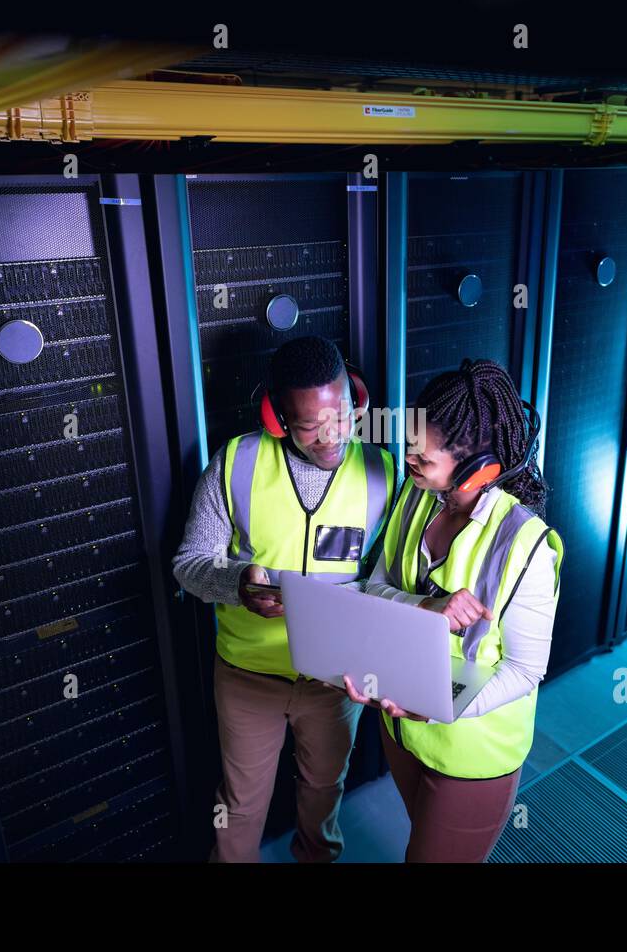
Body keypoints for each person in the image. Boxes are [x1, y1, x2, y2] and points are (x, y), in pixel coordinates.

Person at [172, 335, 396, 862]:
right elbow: (188, 564)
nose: (331, 437)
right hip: (250, 675)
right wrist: (236, 586)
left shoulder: (385, 473)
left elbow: (394, 579)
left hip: (338, 679)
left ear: (355, 398)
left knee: (325, 792)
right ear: (276, 419)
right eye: (309, 426)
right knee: (241, 806)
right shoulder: (236, 464)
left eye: (341, 416)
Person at [344, 357, 563, 863]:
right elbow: (375, 588)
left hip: (472, 756)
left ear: (479, 468)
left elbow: (526, 669)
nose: (409, 459)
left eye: (424, 456)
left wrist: (442, 702)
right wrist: (426, 605)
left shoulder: (527, 546)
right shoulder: (417, 498)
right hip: (402, 730)